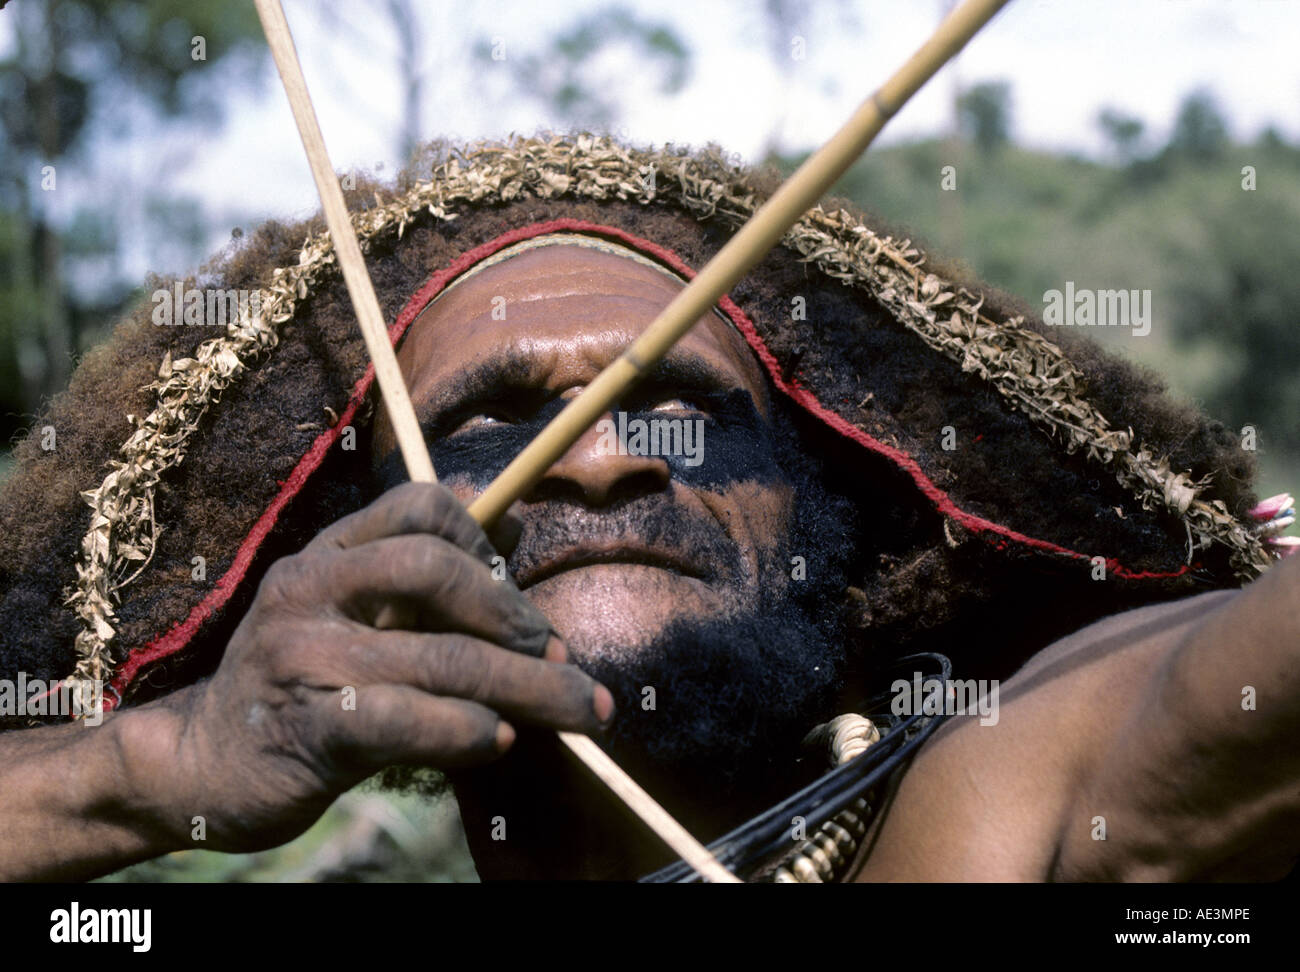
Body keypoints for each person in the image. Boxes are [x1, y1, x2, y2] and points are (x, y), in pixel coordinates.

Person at [0, 136, 1293, 881]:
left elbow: (1212, 712)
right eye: (491, 425)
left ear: (826, 507)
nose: (602, 460)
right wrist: (145, 772)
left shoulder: (995, 798)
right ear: (352, 551)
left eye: (688, 409)